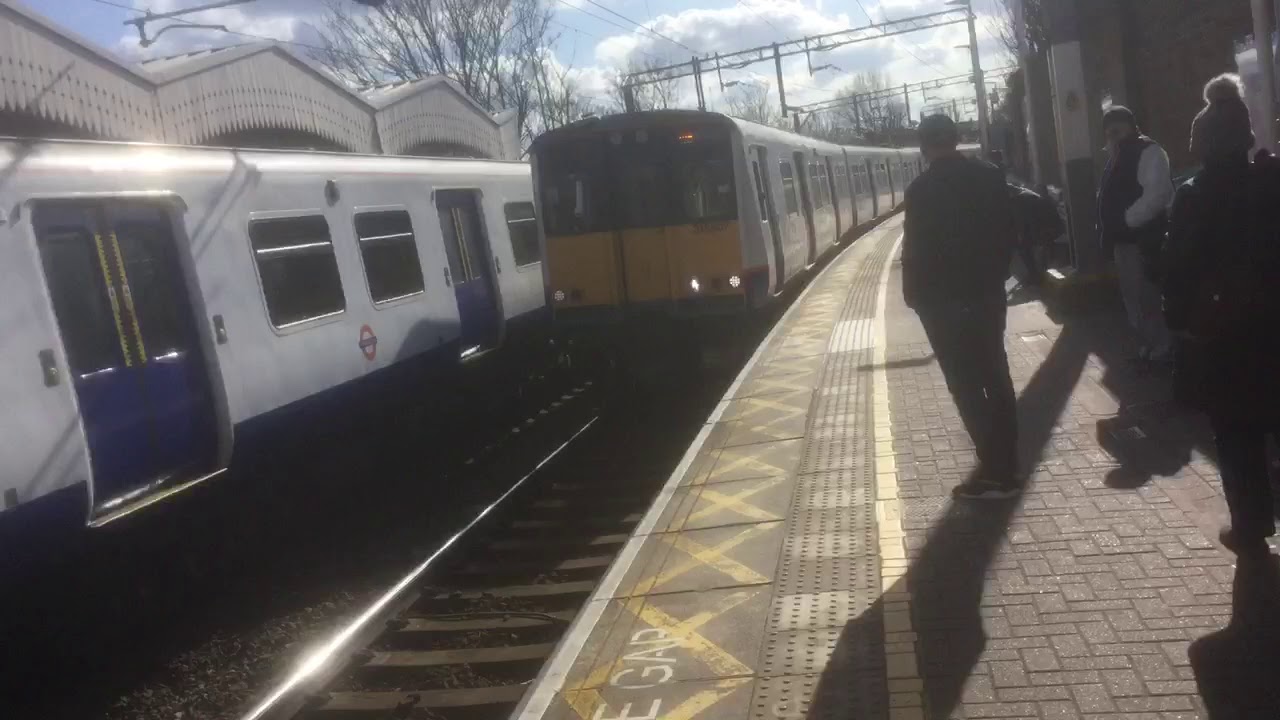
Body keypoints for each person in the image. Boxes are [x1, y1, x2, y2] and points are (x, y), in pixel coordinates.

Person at [1164, 74, 1279, 558]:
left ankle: (1251, 526)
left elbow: (1177, 268)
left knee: (1236, 430)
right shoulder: (1272, 181)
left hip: (1226, 331)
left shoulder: (1193, 194)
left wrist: (1178, 321)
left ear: (1202, 142)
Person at [903, 114, 1020, 500]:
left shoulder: (921, 190)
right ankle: (1009, 463)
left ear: (924, 146)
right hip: (987, 292)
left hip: (944, 301)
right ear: (956, 139)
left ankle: (994, 469)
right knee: (996, 374)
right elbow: (1008, 229)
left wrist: (914, 298)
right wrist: (998, 274)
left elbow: (916, 250)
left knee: (965, 384)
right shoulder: (990, 176)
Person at [1097, 106, 1175, 366]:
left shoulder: (1148, 151)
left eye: (1117, 129)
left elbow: (1156, 195)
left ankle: (1160, 348)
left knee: (1147, 297)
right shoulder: (1118, 154)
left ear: (1131, 126)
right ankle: (1148, 345)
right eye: (1109, 132)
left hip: (1143, 240)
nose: (1113, 135)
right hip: (1125, 240)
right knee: (1133, 298)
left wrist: (1126, 221)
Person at [1009, 182, 1064, 286]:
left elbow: (1026, 224)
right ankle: (1037, 273)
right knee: (1024, 244)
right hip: (1048, 226)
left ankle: (1036, 274)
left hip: (1047, 228)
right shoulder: (1024, 195)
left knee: (1023, 246)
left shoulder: (1020, 200)